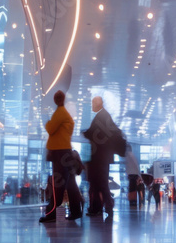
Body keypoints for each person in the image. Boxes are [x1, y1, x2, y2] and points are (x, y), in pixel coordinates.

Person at [39, 91, 83, 223]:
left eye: (57, 98)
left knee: (57, 185)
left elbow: (50, 129)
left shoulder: (60, 113)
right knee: (70, 184)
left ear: (58, 100)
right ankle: (76, 211)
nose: (57, 100)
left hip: (60, 153)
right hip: (66, 151)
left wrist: (47, 121)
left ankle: (51, 214)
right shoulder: (65, 114)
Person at [82, 96, 125, 216]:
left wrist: (86, 133)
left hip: (100, 157)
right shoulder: (104, 116)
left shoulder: (102, 116)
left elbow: (96, 135)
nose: (92, 106)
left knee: (99, 182)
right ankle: (98, 207)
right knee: (97, 182)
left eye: (93, 104)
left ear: (98, 104)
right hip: (102, 157)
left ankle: (106, 205)